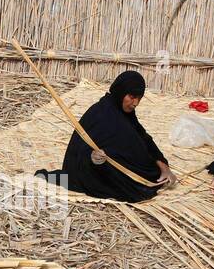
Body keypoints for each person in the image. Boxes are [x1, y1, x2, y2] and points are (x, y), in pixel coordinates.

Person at [37, 70, 173, 202]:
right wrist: (93, 158)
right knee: (134, 189)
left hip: (123, 169)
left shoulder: (126, 113)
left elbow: (144, 139)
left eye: (139, 98)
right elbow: (79, 153)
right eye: (132, 97)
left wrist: (163, 166)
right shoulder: (100, 114)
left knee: (149, 173)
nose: (136, 103)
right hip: (94, 172)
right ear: (121, 92)